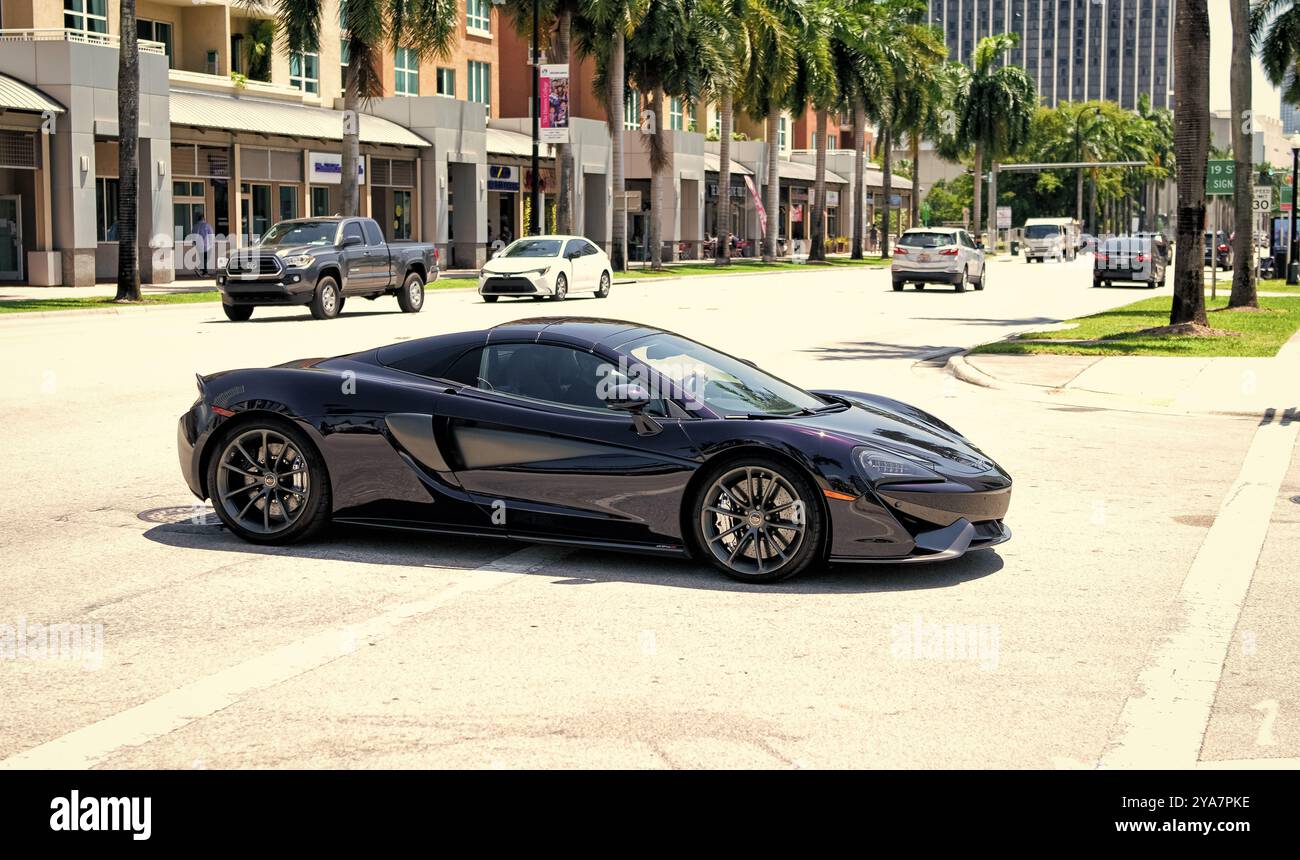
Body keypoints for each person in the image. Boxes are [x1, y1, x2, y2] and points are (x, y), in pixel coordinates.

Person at [194, 212, 214, 277]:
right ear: (203, 218)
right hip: (206, 245)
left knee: (202, 259)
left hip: (198, 246)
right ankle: (204, 272)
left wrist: (194, 242)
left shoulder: (195, 226)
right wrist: (212, 242)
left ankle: (202, 271)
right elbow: (211, 235)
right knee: (205, 259)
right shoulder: (207, 225)